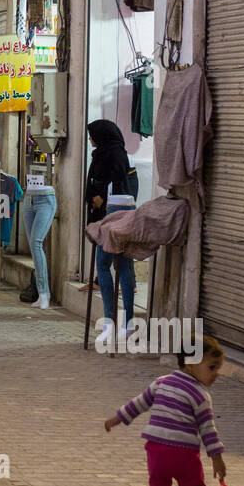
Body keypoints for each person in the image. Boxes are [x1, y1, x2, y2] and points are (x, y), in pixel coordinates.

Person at [104, 336, 228, 486]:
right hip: (185, 454)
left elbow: (138, 404)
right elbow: (208, 430)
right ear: (190, 363)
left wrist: (117, 418)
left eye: (217, 368)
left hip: (156, 450)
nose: (216, 373)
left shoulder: (161, 382)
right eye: (211, 367)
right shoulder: (200, 396)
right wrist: (217, 458)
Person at [86, 119, 139, 336]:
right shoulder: (107, 153)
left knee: (109, 265)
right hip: (109, 216)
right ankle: (121, 321)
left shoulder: (115, 154)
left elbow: (121, 186)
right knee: (119, 266)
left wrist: (106, 203)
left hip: (113, 217)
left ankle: (116, 320)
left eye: (92, 135)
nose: (90, 138)